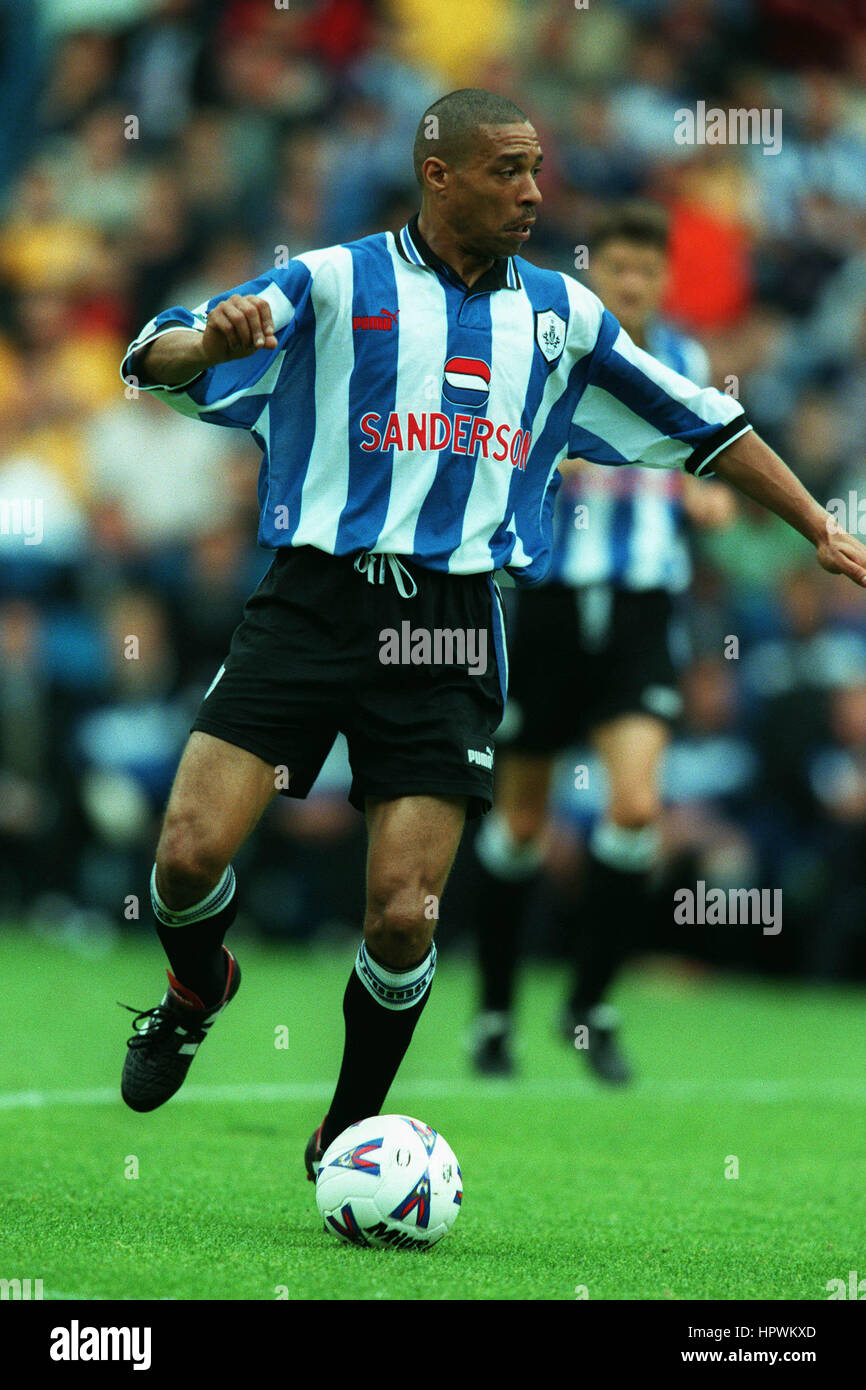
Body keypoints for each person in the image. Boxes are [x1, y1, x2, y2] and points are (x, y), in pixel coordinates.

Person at [116, 89, 866, 1184]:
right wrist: (204, 340)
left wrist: (815, 524)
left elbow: (700, 418)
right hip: (311, 604)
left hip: (453, 627)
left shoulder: (559, 318)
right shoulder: (334, 281)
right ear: (439, 174)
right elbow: (162, 354)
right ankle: (194, 989)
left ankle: (346, 1136)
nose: (531, 192)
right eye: (506, 170)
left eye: (536, 170)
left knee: (401, 919)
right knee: (184, 856)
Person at [470, 201, 737, 1083]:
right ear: (597, 274)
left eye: (646, 272)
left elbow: (715, 461)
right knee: (521, 820)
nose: (631, 284)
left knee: (633, 808)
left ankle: (590, 1005)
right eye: (616, 270)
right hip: (547, 607)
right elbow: (501, 451)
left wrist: (711, 499)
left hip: (637, 614)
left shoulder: (688, 361)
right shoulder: (559, 351)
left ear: (663, 278)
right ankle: (496, 1013)